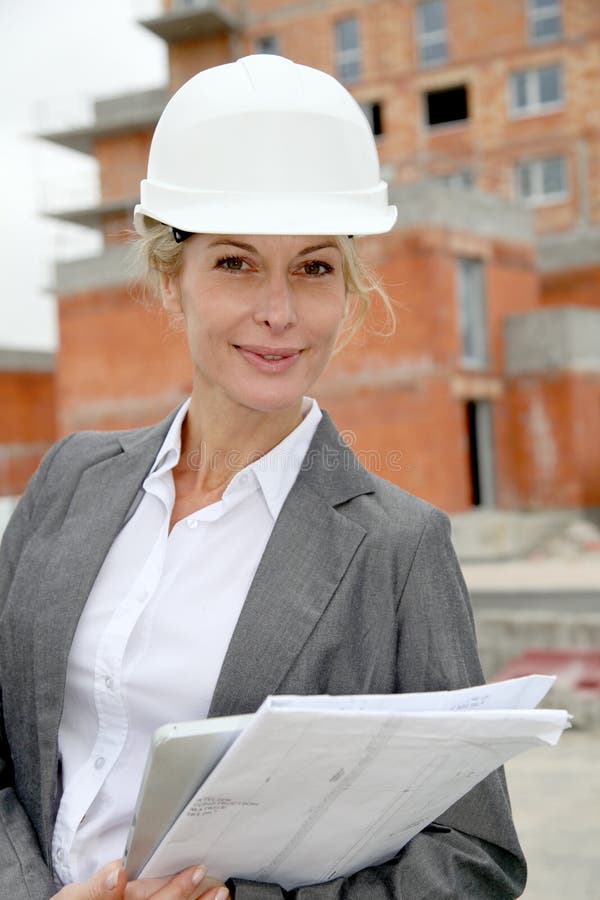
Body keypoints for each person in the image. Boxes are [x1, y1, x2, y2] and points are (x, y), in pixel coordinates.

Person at [0, 55, 527, 899]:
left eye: (313, 268)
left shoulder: (399, 549)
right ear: (172, 283)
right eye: (236, 264)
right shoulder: (70, 481)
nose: (278, 311)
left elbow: (472, 858)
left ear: (349, 294)